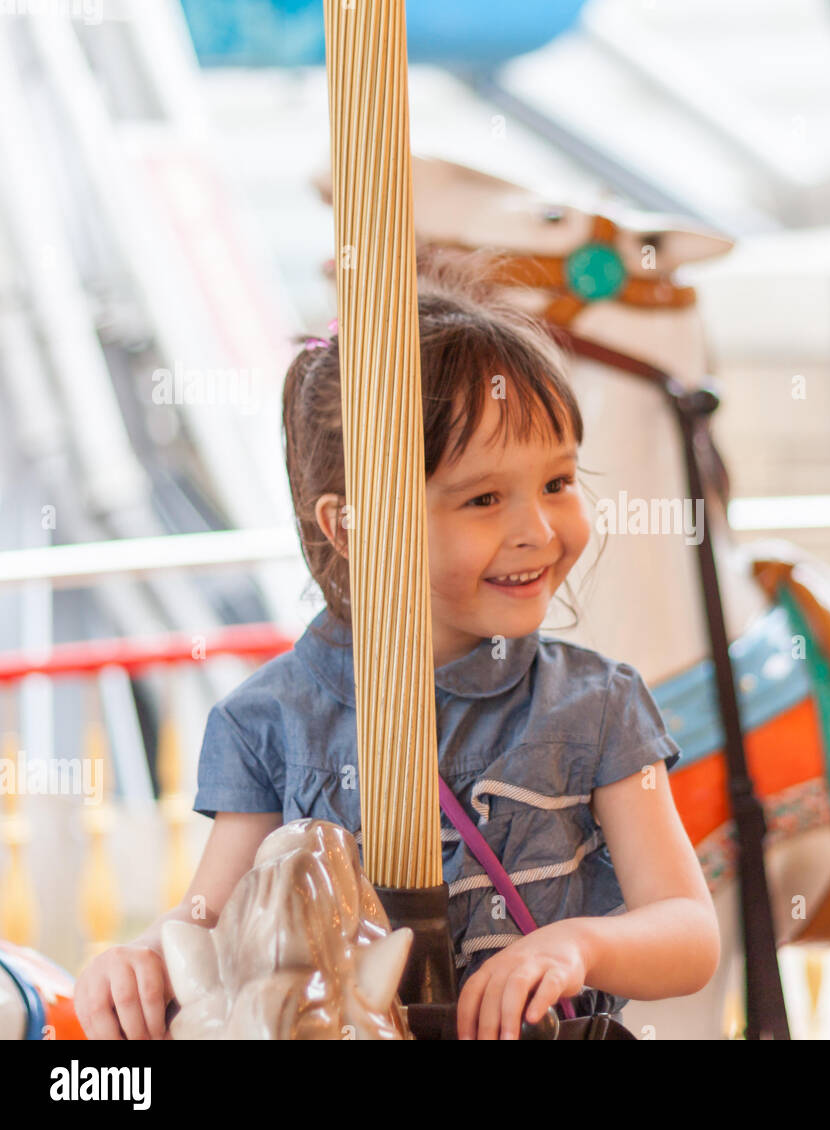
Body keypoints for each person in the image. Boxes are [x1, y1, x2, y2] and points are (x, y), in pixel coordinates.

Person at [74, 250, 720, 1040]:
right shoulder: (269, 723)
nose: (539, 530)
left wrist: (579, 944)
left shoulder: (598, 706)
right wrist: (136, 959)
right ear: (350, 528)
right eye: (484, 498)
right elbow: (207, 921)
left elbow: (688, 929)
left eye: (557, 482)